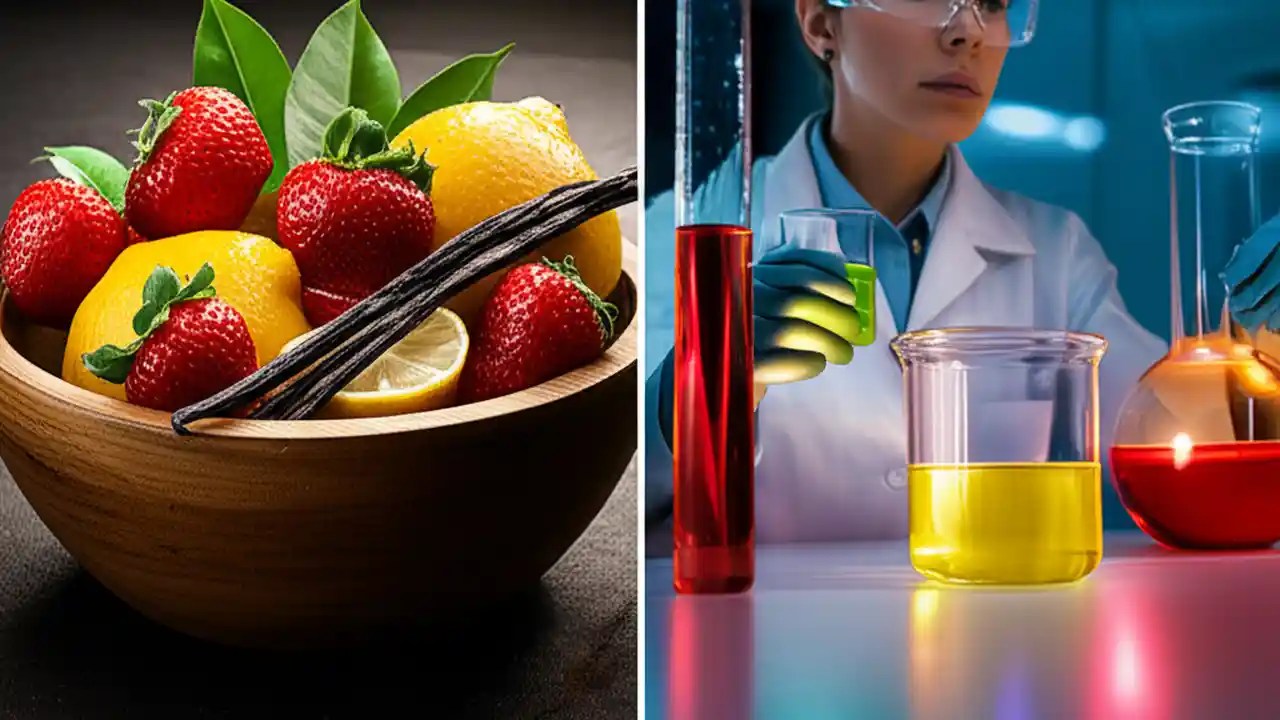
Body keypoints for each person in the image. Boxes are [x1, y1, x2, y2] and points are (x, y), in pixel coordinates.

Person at [643, 0, 1168, 550]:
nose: (967, 32)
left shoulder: (1057, 254)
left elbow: (1175, 435)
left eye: (991, 4)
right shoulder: (681, 235)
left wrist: (1255, 336)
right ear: (821, 22)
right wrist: (698, 383)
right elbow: (624, 478)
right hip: (766, 635)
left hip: (986, 631)